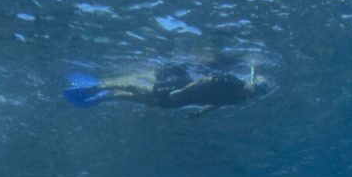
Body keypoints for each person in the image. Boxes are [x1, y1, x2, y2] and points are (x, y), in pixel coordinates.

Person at [64, 64, 273, 114]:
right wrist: (182, 92)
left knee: (142, 100)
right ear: (251, 81)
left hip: (182, 100)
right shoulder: (232, 81)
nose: (254, 93)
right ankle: (93, 89)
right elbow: (204, 82)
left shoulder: (240, 99)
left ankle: (105, 98)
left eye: (259, 93)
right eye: (257, 88)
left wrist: (201, 113)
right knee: (137, 88)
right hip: (181, 89)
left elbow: (217, 103)